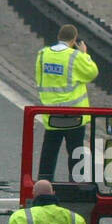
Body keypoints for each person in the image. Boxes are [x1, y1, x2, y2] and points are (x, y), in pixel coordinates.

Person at [36, 24, 99, 182]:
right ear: (74, 40)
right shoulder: (75, 57)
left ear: (58, 36)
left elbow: (40, 78)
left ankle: (44, 183)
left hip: (51, 114)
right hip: (74, 115)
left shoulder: (43, 54)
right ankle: (76, 186)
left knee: (49, 152)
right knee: (76, 153)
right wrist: (85, 54)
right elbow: (92, 73)